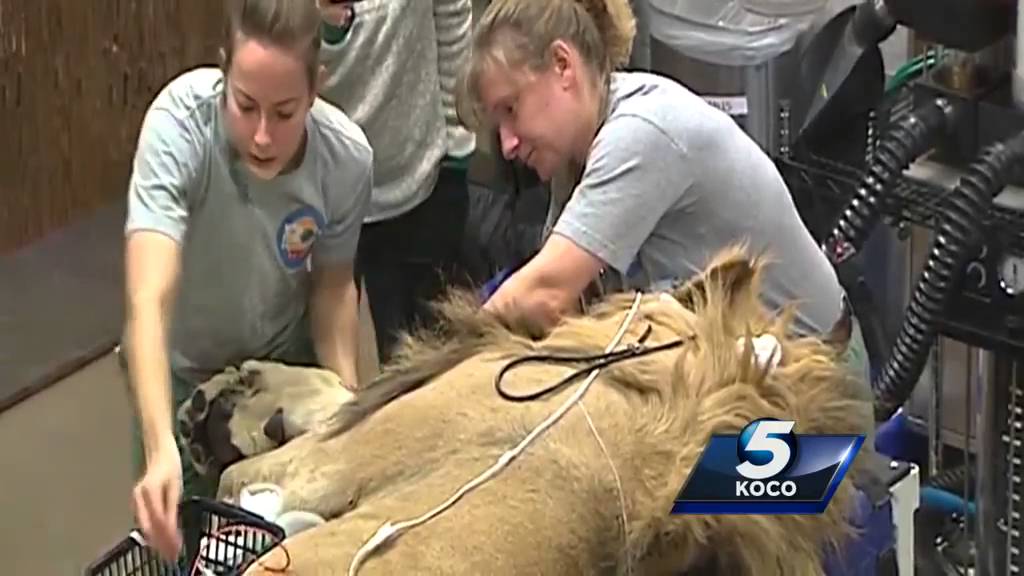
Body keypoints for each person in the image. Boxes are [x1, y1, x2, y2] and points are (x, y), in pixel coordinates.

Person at [460, 0, 873, 400]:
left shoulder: (640, 135)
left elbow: (544, 295)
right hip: (733, 378)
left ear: (562, 65)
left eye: (511, 109)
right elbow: (566, 307)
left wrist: (445, 369)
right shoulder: (576, 158)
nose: (507, 144)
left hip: (813, 385)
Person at [121, 0, 371, 561]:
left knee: (288, 555)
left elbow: (333, 289)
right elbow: (148, 298)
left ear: (316, 88)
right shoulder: (178, 126)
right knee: (185, 555)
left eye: (284, 113)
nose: (262, 135)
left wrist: (343, 408)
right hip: (182, 379)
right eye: (245, 106)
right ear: (222, 74)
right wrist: (162, 448)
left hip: (280, 379)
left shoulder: (346, 159)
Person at [315, 0, 488, 365]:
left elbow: (452, 14)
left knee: (420, 364)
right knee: (317, 368)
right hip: (318, 193)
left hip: (422, 180)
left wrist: (456, 145)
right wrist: (326, 29)